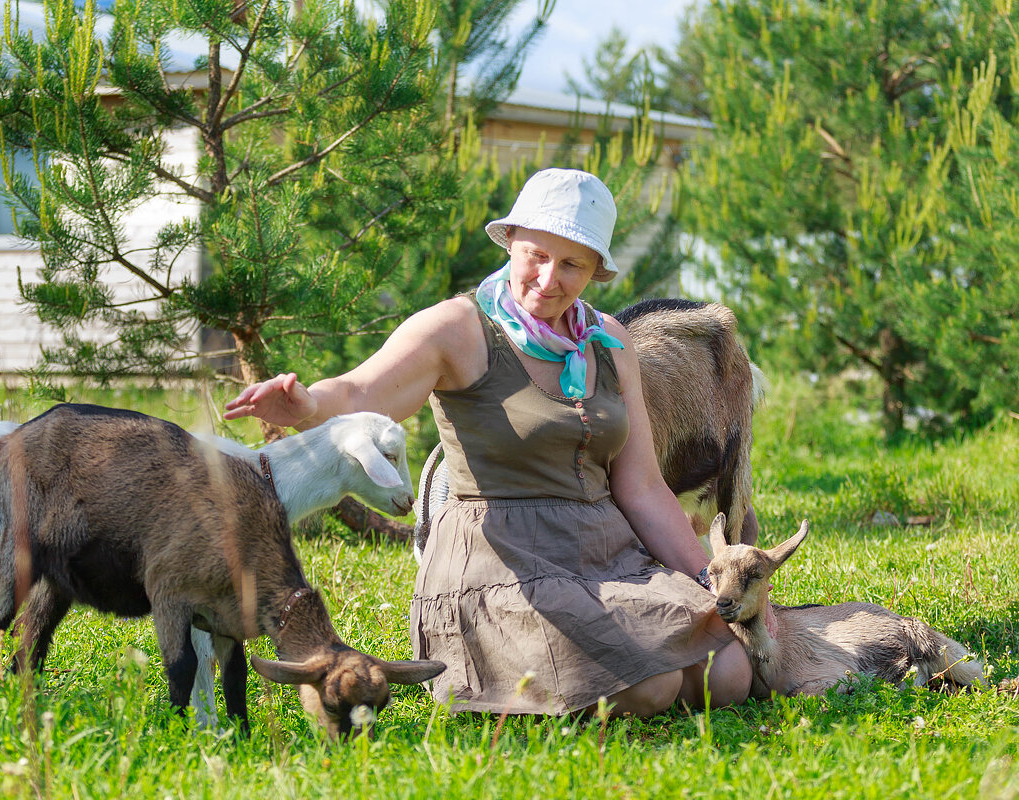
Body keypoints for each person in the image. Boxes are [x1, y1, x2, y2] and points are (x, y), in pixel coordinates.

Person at [225, 168, 752, 716]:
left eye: (572, 263)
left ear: (596, 270)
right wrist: (308, 404)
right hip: (503, 562)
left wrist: (705, 580)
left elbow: (642, 486)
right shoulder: (459, 328)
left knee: (731, 672)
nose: (550, 278)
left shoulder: (609, 341)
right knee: (653, 687)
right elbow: (363, 389)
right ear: (510, 242)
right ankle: (497, 678)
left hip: (603, 552)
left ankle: (593, 659)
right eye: (536, 254)